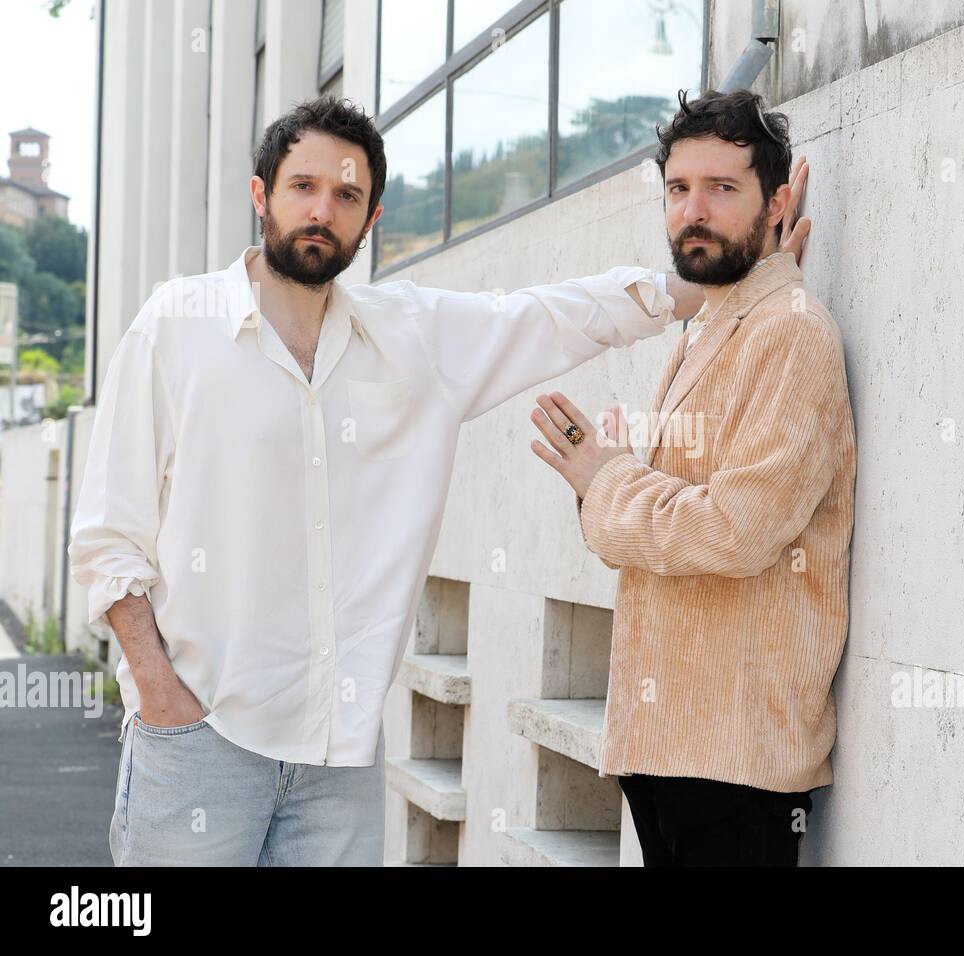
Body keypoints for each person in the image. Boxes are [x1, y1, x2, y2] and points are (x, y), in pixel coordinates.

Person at [68, 94, 742, 866]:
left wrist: (730, 277)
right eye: (303, 187)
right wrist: (160, 695)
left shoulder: (410, 336)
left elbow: (553, 314)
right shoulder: (175, 325)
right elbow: (107, 538)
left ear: (372, 217)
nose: (323, 209)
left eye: (346, 195)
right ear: (261, 195)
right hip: (198, 739)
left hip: (341, 757)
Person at [529, 89, 854, 866]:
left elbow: (735, 531)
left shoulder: (794, 335)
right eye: (679, 189)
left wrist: (605, 481)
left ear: (776, 202)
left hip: (734, 762)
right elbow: (661, 526)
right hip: (669, 748)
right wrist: (598, 483)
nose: (693, 210)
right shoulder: (715, 326)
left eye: (722, 189)